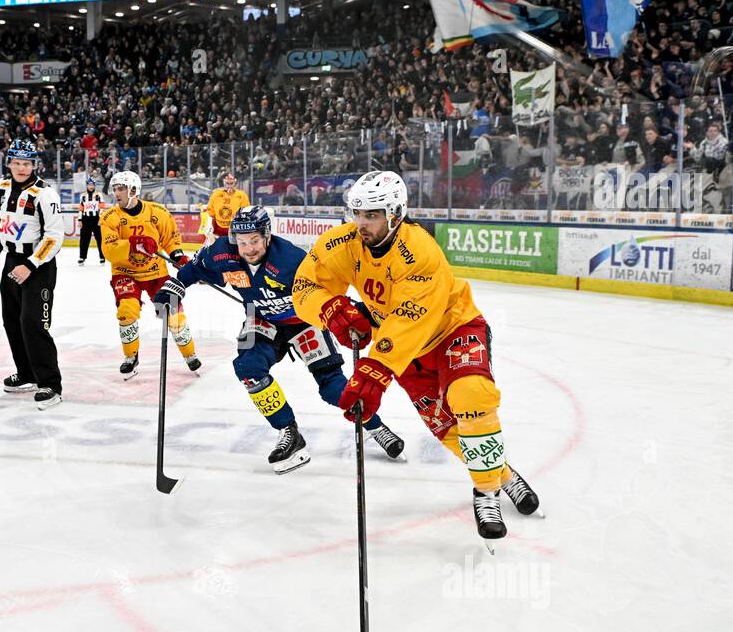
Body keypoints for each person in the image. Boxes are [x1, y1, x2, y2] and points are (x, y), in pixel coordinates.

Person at [291, 171, 539, 542]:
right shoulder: (344, 243)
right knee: (448, 427)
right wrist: (330, 309)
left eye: (371, 215)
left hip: (453, 328)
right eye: (356, 213)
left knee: (471, 397)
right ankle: (500, 472)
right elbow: (306, 285)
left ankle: (486, 492)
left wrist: (375, 371)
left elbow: (411, 318)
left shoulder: (419, 251)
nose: (361, 223)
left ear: (395, 213)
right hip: (405, 351)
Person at [154, 206, 406, 473]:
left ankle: (375, 426)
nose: (248, 249)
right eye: (242, 242)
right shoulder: (221, 253)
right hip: (260, 318)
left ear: (267, 235)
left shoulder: (292, 261)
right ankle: (289, 431)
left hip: (304, 323)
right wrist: (175, 287)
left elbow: (330, 289)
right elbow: (194, 269)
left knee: (333, 388)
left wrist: (356, 310)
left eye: (254, 241)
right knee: (248, 368)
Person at [0, 141, 64, 409]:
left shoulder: (45, 194)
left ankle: (51, 384)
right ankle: (27, 374)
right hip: (11, 261)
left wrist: (30, 265)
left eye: (26, 163)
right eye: (16, 162)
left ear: (34, 165)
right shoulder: (1, 188)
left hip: (38, 265)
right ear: (9, 163)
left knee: (33, 323)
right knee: (12, 321)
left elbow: (55, 236)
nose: (21, 168)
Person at [100, 169, 200, 379]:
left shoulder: (158, 213)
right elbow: (109, 251)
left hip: (155, 272)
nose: (116, 193)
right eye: (115, 189)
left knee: (173, 312)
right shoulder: (109, 217)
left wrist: (179, 257)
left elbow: (170, 239)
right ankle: (131, 356)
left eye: (121, 189)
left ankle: (189, 354)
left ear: (134, 190)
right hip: (125, 272)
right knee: (127, 310)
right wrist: (134, 244)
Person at [199, 172, 250, 245]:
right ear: (223, 183)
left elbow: (245, 212)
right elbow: (210, 212)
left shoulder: (242, 195)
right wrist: (209, 227)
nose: (229, 185)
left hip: (235, 231)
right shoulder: (216, 194)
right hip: (218, 231)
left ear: (235, 183)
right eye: (227, 183)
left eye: (231, 183)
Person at [76, 177, 106, 265]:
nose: (91, 186)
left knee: (99, 239)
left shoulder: (99, 195)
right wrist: (80, 220)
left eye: (92, 185)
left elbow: (102, 207)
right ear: (87, 186)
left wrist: (100, 218)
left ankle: (102, 257)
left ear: (94, 185)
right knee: (84, 239)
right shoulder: (83, 195)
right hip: (85, 219)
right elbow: (81, 208)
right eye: (89, 185)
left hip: (96, 219)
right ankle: (82, 257)